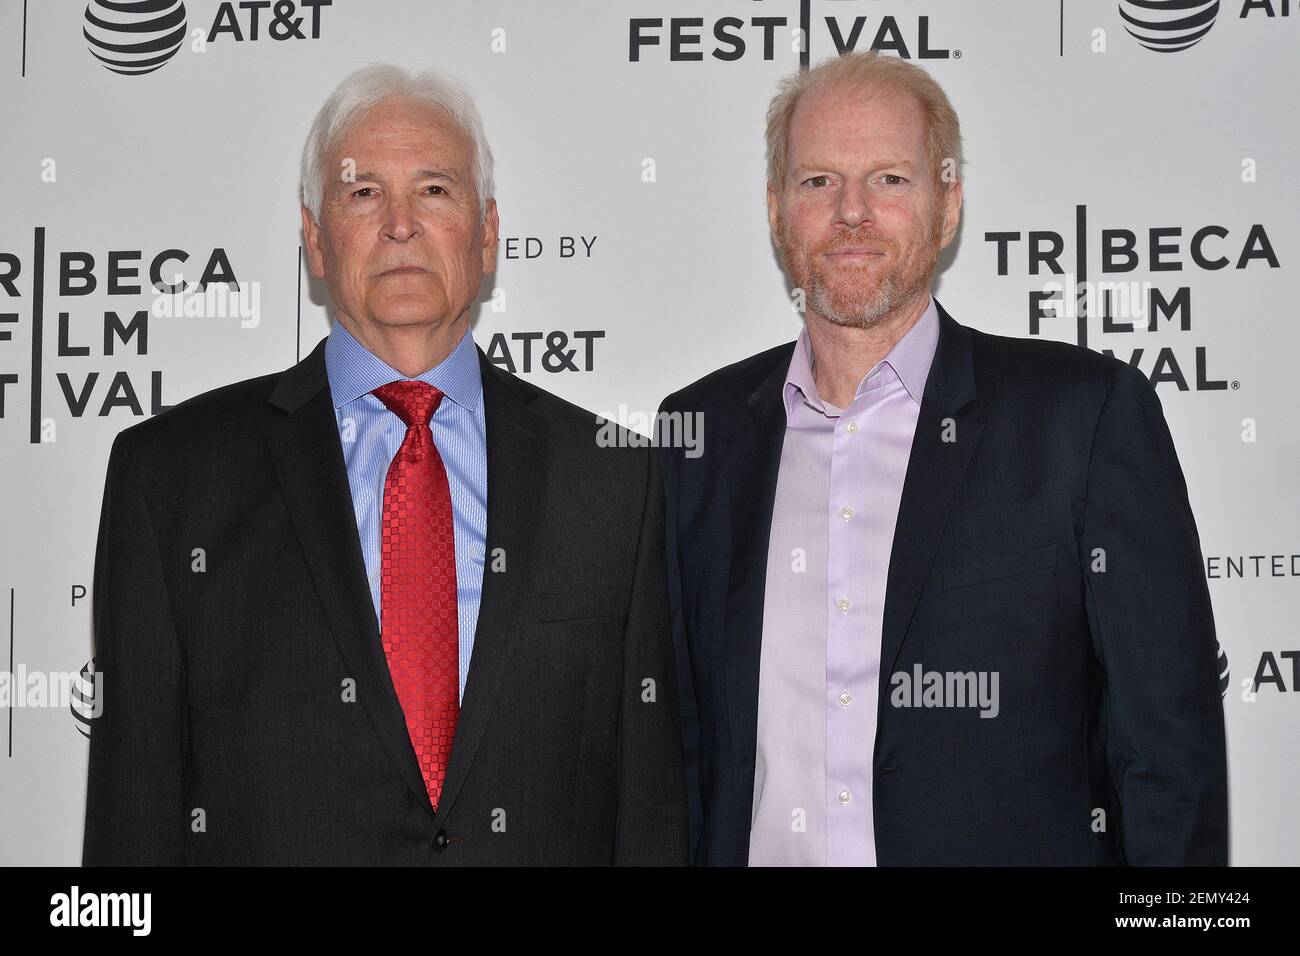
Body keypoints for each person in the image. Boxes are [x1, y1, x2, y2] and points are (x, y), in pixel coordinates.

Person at [83, 63, 686, 866]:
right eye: (362, 192)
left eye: (435, 190)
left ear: (488, 233)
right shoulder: (171, 480)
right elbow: (134, 815)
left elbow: (649, 813)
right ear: (315, 240)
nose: (401, 223)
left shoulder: (613, 482)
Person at [658, 51, 1228, 866]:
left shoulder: (1082, 418)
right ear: (778, 209)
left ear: (948, 203)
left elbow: (1169, 754)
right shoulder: (698, 436)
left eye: (890, 178)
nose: (851, 212)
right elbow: (673, 754)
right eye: (818, 181)